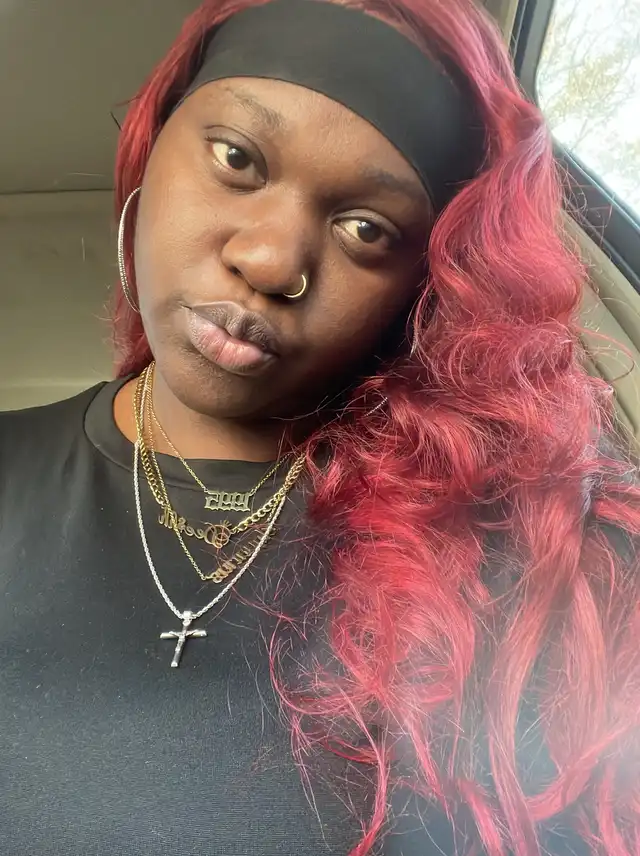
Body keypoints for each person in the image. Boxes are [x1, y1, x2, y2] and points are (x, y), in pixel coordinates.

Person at [1, 0, 638, 853]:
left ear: (422, 286)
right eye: (237, 158)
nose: (270, 262)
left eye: (366, 229)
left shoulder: (523, 555)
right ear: (152, 146)